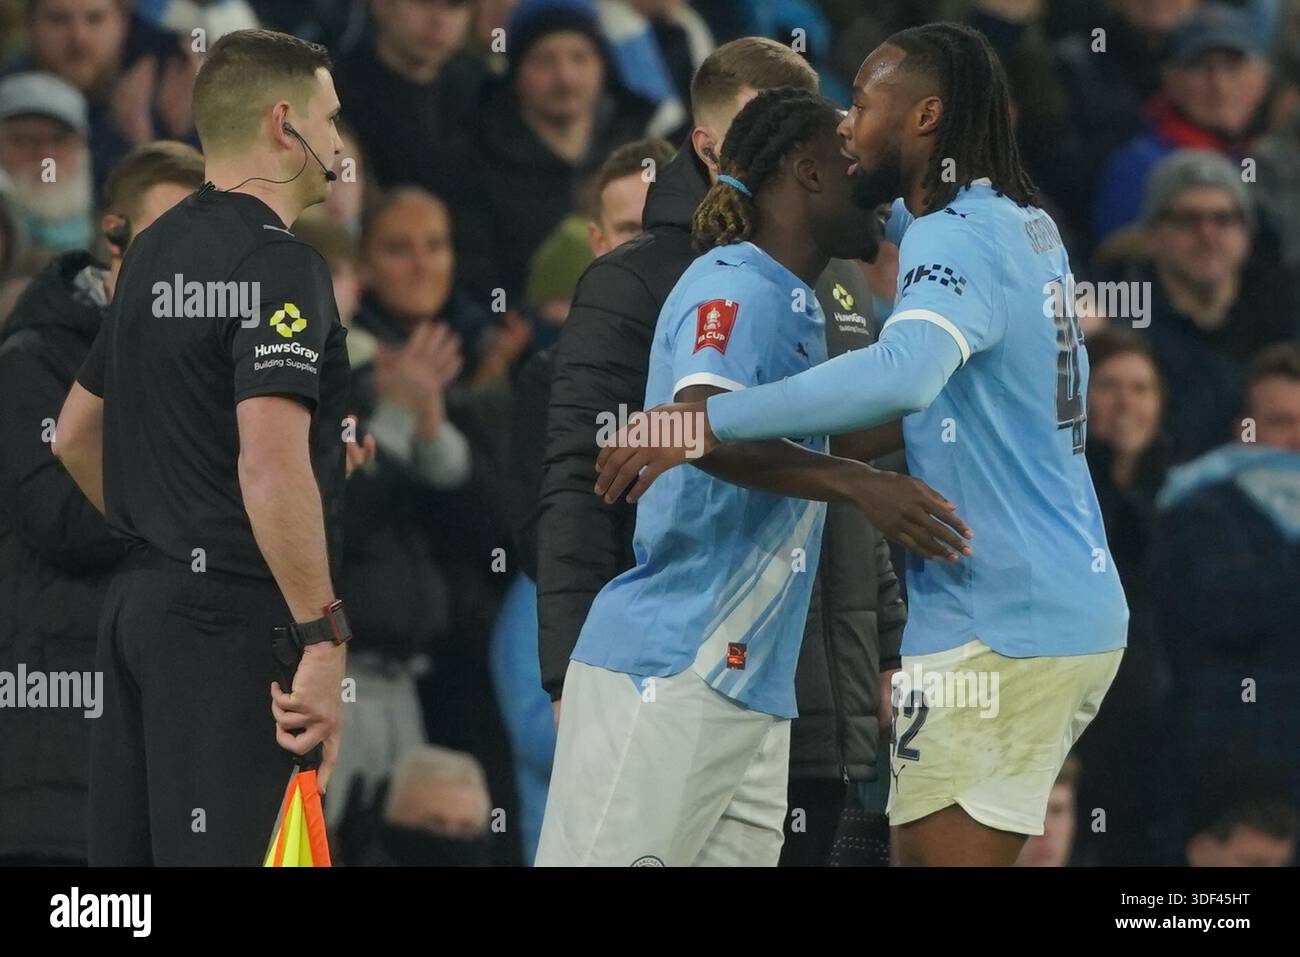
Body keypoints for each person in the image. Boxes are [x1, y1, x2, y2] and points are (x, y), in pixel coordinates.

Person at [596, 23, 1129, 867]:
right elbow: (954, 407)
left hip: (996, 616)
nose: (846, 125)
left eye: (865, 104)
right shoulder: (1028, 226)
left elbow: (904, 375)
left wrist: (704, 420)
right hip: (1061, 601)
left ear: (925, 115)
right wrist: (829, 471)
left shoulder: (949, 231)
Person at [537, 87, 969, 867]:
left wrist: (965, 412)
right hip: (671, 665)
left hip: (754, 686)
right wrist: (860, 485)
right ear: (807, 172)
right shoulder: (732, 281)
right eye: (858, 174)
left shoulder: (797, 298)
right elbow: (702, 424)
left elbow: (802, 432)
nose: (877, 194)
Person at [53, 28, 364, 866]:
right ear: (283, 123)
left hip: (138, 613)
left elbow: (77, 432)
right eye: (330, 118)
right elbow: (269, 463)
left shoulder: (152, 250)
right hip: (234, 626)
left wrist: (162, 523)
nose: (338, 141)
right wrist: (324, 636)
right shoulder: (281, 265)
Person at [0, 139, 203, 865]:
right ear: (114, 237)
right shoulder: (33, 361)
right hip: (55, 763)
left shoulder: (219, 365)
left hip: (170, 759)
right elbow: (59, 516)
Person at [1149, 343, 1300, 814]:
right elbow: (1219, 612)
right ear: (1245, 431)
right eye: (1280, 421)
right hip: (1240, 759)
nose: (1297, 439)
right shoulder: (1201, 509)